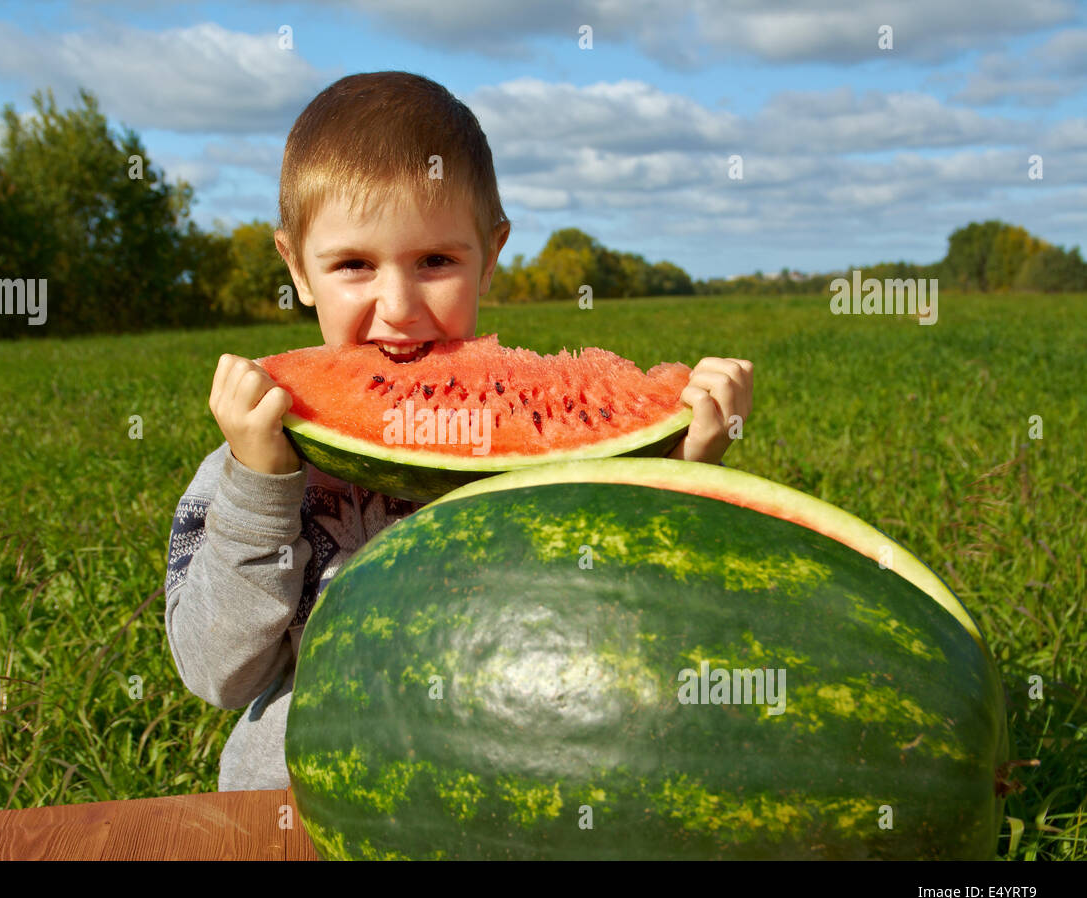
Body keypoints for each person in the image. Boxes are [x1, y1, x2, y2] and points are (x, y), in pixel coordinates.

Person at [164, 71, 754, 791]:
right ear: (298, 268)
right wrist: (259, 487)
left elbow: (627, 626)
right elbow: (215, 673)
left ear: (491, 253)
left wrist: (682, 466)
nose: (399, 305)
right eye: (353, 264)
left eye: (436, 261)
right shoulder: (244, 473)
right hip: (292, 806)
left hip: (498, 798)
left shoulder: (546, 456)